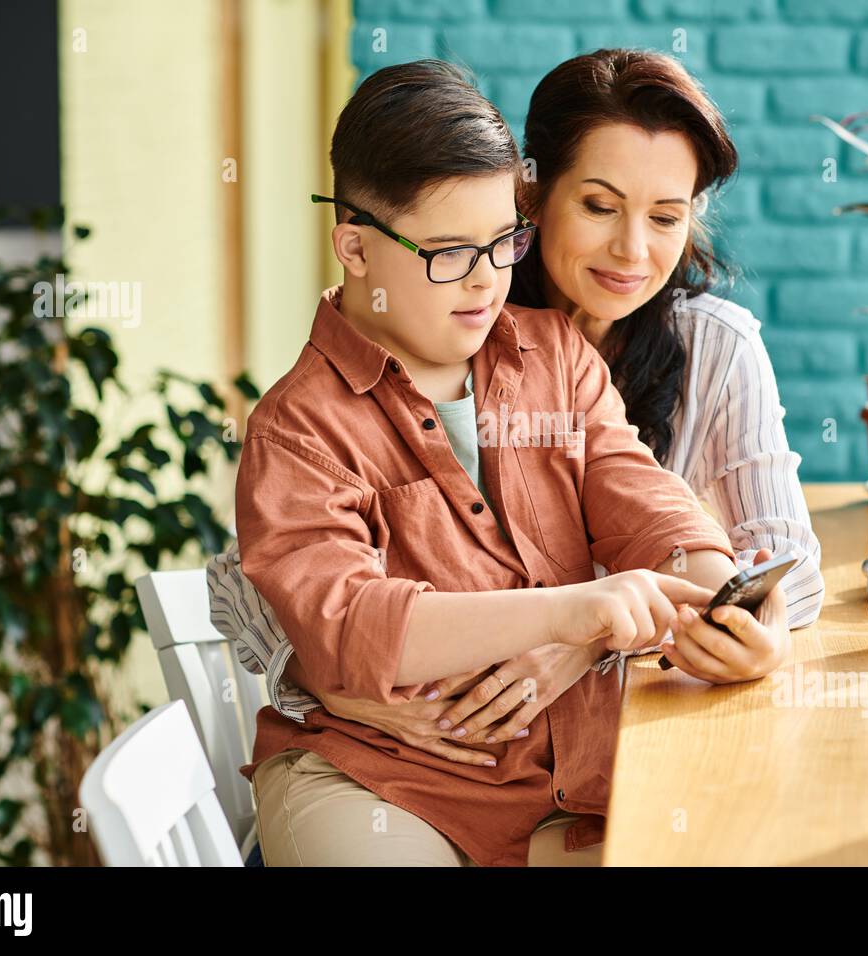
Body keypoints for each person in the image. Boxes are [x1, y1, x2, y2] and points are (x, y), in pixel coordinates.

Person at [226, 59, 786, 867]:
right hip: (381, 784)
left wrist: (718, 591)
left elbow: (643, 502)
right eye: (449, 253)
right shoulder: (297, 430)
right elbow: (350, 625)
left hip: (572, 779)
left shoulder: (554, 353)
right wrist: (574, 610)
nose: (487, 281)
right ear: (353, 246)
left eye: (502, 243)